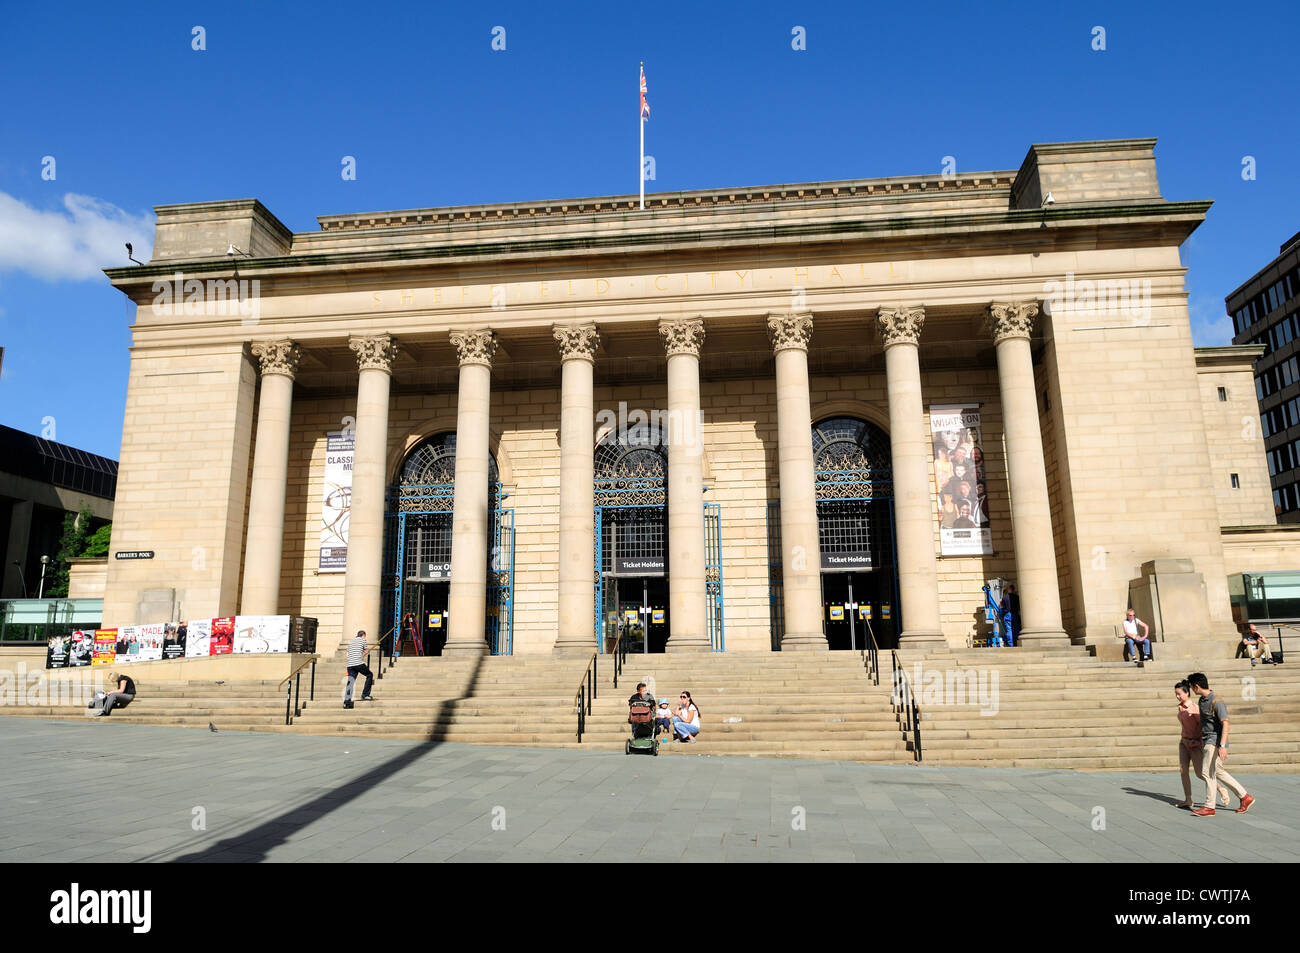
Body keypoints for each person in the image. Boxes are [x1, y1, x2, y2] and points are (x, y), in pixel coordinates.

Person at [1187, 673, 1255, 816]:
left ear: (1197, 686)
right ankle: (1245, 797)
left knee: (1207, 772)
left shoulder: (1217, 702)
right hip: (1206, 739)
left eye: (1192, 687)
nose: (1192, 690)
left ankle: (1209, 806)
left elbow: (1226, 724)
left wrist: (1223, 746)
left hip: (1214, 741)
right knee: (1218, 771)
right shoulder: (1202, 700)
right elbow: (1205, 722)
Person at [1174, 680, 1229, 810]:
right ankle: (1188, 799)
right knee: (1183, 771)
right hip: (1184, 742)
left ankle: (1221, 789)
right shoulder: (1180, 707)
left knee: (1200, 773)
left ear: (1187, 693)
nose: (1177, 696)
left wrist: (1197, 740)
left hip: (1195, 743)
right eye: (1176, 694)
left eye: (1179, 694)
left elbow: (1202, 726)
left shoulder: (1195, 708)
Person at [343, 630, 375, 710]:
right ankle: (365, 695)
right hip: (358, 663)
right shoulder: (363, 640)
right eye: (365, 636)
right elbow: (366, 650)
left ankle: (347, 702)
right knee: (369, 675)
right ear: (363, 635)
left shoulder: (351, 641)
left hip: (350, 665)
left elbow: (347, 653)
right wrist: (366, 651)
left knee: (351, 682)